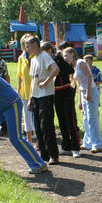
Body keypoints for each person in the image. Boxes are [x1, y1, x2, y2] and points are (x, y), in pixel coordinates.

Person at [25, 35, 60, 164]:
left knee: (46, 126)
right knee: (38, 126)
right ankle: (43, 155)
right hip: (35, 97)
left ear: (35, 44)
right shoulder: (33, 60)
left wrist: (46, 81)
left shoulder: (44, 56)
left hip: (46, 96)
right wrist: (30, 99)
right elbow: (33, 82)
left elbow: (56, 69)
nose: (26, 49)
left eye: (28, 46)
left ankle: (53, 155)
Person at [45, 42, 81, 158]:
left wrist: (58, 58)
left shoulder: (59, 60)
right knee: (61, 120)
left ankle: (75, 147)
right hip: (55, 93)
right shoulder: (45, 61)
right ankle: (66, 146)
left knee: (70, 119)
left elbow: (69, 70)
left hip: (66, 91)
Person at [65, 48, 102, 152]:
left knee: (92, 119)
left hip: (91, 91)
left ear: (72, 54)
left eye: (66, 55)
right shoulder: (74, 66)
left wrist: (89, 92)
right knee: (86, 119)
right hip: (83, 92)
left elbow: (90, 77)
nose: (65, 57)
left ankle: (97, 144)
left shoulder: (81, 62)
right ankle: (87, 143)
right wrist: (80, 100)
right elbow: (79, 83)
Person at [17, 42, 35, 143]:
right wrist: (18, 89)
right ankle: (29, 140)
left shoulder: (35, 56)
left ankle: (39, 139)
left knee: (35, 116)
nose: (27, 47)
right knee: (26, 115)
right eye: (25, 44)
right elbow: (19, 75)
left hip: (36, 90)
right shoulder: (21, 58)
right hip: (25, 91)